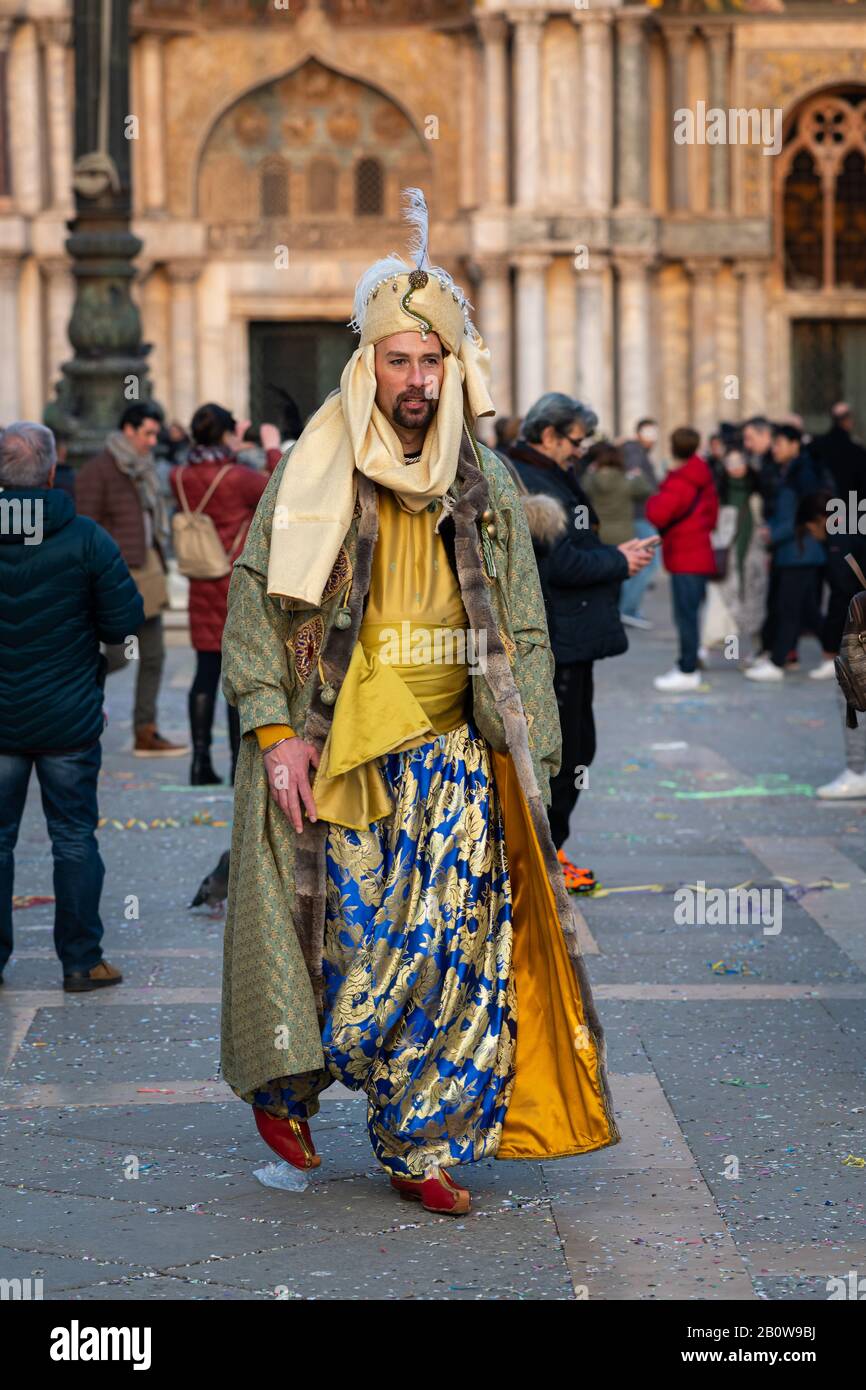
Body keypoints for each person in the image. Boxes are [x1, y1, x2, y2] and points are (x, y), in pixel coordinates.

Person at [219, 191, 620, 1218]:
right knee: (349, 946)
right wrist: (274, 736)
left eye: (428, 360)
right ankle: (294, 1080)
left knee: (450, 950)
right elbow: (258, 614)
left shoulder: (482, 479)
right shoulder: (312, 472)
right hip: (344, 751)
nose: (413, 379)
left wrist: (528, 750)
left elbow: (522, 626)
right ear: (369, 365)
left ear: (452, 367)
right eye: (396, 360)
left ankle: (420, 1140)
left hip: (453, 752)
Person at [0, 423, 144, 991]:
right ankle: (82, 960)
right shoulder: (86, 539)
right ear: (54, 472)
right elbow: (123, 622)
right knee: (75, 837)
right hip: (68, 717)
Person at [506, 395, 652, 865]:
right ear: (548, 435)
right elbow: (559, 564)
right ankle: (546, 854)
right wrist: (619, 561)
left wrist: (615, 554)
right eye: (575, 440)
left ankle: (551, 849)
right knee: (563, 751)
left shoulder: (548, 472)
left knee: (577, 745)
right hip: (555, 636)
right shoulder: (526, 477)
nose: (581, 450)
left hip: (570, 634)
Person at [170, 404, 283, 785]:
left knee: (205, 670)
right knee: (241, 673)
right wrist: (267, 445)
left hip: (200, 580)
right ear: (225, 434)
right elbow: (281, 484)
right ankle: (240, 764)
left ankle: (199, 762)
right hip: (234, 580)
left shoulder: (179, 475)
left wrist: (231, 441)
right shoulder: (237, 477)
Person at [76, 403, 188, 757]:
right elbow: (86, 527)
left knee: (153, 654)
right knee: (119, 655)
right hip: (117, 575)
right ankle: (74, 700)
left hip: (148, 569)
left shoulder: (143, 469)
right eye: (147, 434)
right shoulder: (99, 471)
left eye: (156, 434)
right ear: (128, 430)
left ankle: (146, 730)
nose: (153, 442)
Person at [746, 425, 826, 683]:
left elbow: (802, 514)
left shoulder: (804, 472)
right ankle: (840, 653)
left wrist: (774, 534)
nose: (775, 448)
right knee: (807, 611)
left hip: (800, 550)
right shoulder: (787, 470)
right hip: (791, 551)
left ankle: (778, 662)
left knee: (789, 608)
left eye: (780, 443)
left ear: (794, 444)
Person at [647, 426, 719, 692]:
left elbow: (657, 514)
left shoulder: (680, 481)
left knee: (685, 615)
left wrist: (654, 497)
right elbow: (712, 517)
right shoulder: (702, 475)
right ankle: (694, 656)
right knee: (692, 612)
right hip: (699, 552)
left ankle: (687, 670)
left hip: (685, 557)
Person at [700, 448, 768, 663]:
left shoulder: (759, 489)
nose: (735, 467)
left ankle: (756, 652)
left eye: (739, 462)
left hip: (753, 555)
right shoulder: (718, 491)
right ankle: (724, 653)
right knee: (723, 604)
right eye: (730, 463)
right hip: (725, 555)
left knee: (754, 604)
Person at [620, 418, 661, 629]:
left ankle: (629, 607)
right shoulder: (634, 451)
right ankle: (628, 608)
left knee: (643, 561)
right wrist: (651, 490)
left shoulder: (635, 450)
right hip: (639, 515)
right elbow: (634, 481)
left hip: (640, 515)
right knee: (647, 561)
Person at [583, 440, 653, 548]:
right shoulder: (627, 481)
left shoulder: (591, 480)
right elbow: (647, 491)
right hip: (624, 535)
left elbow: (581, 491)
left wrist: (589, 472)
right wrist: (639, 475)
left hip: (599, 533)